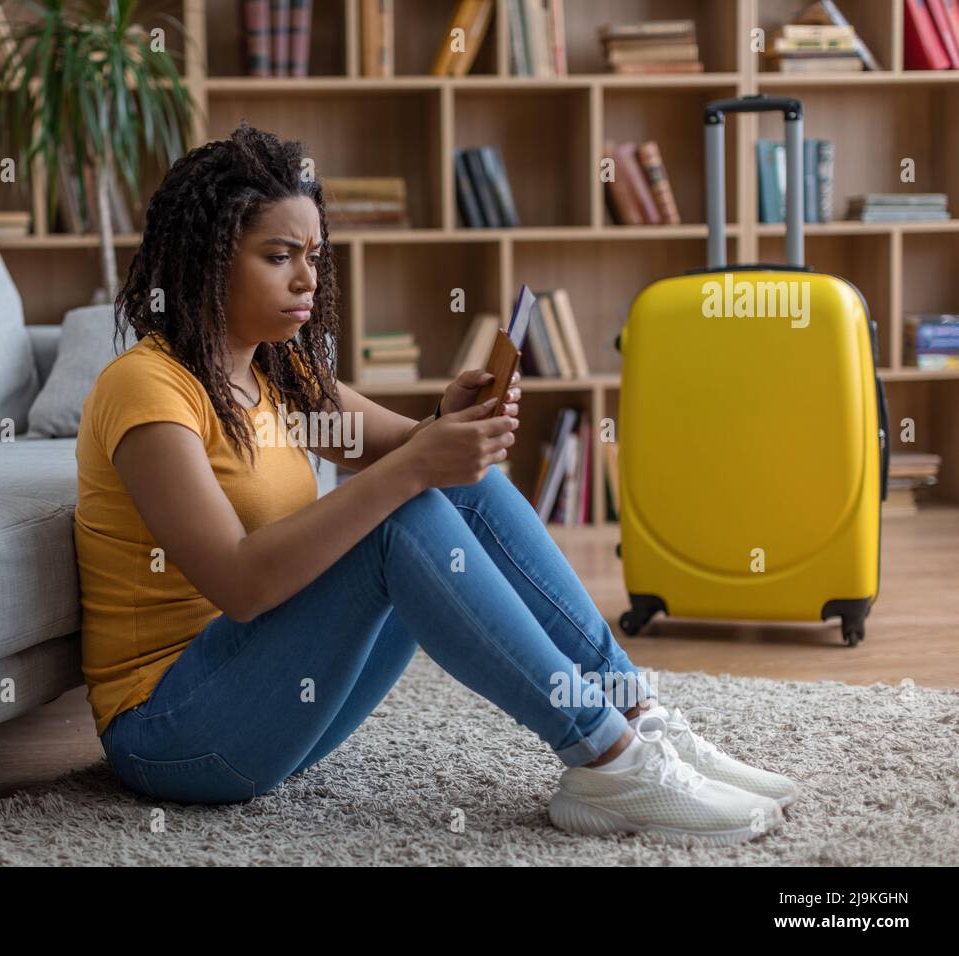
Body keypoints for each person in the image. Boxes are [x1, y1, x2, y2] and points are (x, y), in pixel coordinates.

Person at [74, 122, 798, 846]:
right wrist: (419, 463)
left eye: (314, 257)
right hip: (176, 734)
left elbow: (410, 452)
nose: (308, 280)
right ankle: (606, 760)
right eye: (279, 257)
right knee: (399, 512)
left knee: (455, 486)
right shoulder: (147, 389)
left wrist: (448, 423)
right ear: (206, 260)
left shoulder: (273, 371)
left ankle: (633, 713)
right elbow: (239, 584)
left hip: (275, 701)